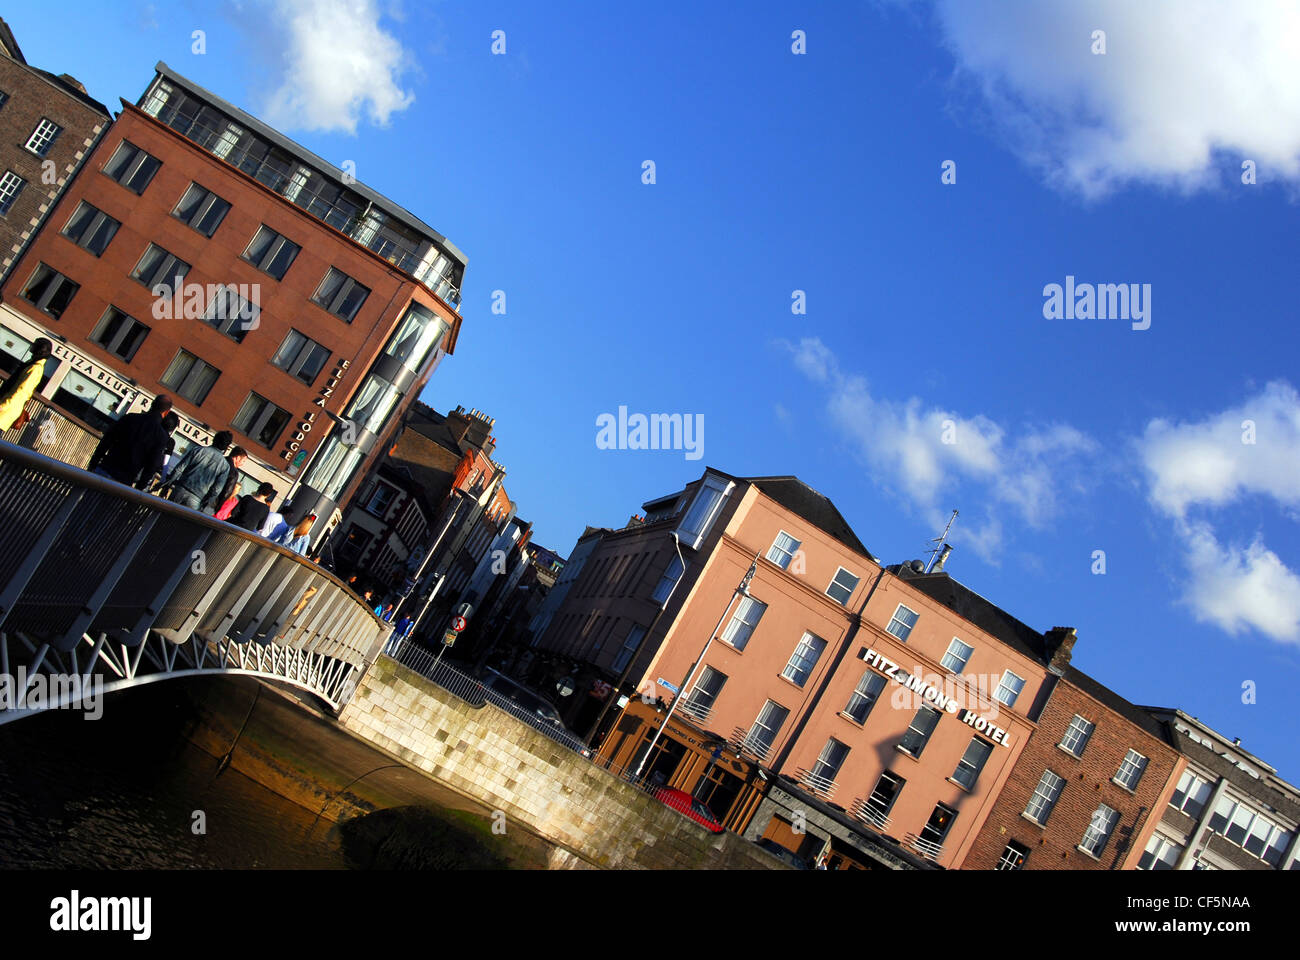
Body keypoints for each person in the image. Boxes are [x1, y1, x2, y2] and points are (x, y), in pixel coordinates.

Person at [86, 394, 174, 489]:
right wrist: (140, 487)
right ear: (166, 412)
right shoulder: (161, 436)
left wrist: (94, 463)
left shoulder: (129, 418)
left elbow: (106, 441)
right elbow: (151, 465)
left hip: (106, 467)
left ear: (152, 404)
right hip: (124, 480)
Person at [164, 430, 234, 511]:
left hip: (181, 488)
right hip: (197, 498)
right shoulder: (225, 466)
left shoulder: (197, 450)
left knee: (165, 515)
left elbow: (179, 469)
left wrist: (167, 483)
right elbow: (216, 490)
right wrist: (205, 503)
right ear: (226, 447)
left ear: (214, 439)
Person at [0, 338, 52, 432]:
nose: (32, 345)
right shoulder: (32, 363)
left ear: (40, 349)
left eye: (35, 344)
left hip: (6, 408)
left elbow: (22, 390)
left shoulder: (35, 368)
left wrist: (4, 406)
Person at [212, 446, 247, 519]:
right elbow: (227, 491)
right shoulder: (233, 472)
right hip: (212, 502)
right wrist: (218, 507)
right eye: (243, 461)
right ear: (237, 457)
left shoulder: (219, 460)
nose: (242, 464)